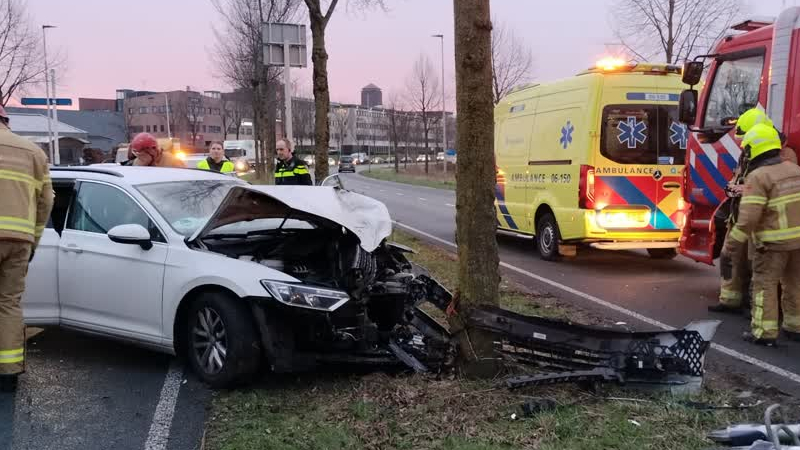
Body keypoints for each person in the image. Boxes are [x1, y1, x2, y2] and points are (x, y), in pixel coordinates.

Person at [721, 123, 800, 346]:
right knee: (795, 284)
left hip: (772, 244)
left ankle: (764, 333)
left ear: (754, 149)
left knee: (764, 286)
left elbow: (747, 220)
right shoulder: (795, 170)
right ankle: (795, 327)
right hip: (798, 243)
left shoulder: (758, 177)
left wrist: (730, 248)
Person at [0, 104, 54, 392]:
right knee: (8, 303)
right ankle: (9, 371)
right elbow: (47, 201)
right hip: (19, 240)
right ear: (6, 121)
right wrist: (33, 237)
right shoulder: (33, 152)